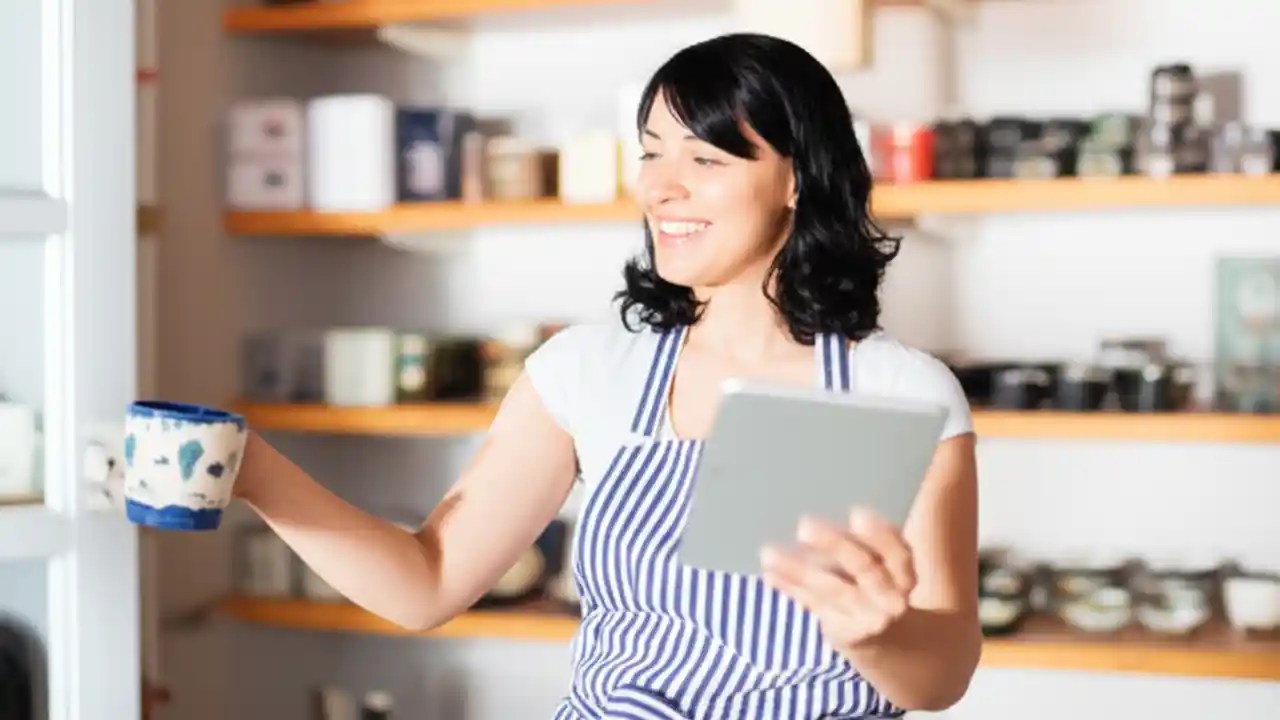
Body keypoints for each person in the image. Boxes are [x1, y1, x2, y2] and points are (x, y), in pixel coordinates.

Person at [233, 32, 980, 719]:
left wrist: (877, 637)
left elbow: (943, 674)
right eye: (651, 154)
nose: (661, 187)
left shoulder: (898, 392)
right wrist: (255, 470)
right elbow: (425, 584)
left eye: (706, 159)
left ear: (797, 179)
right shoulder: (587, 373)